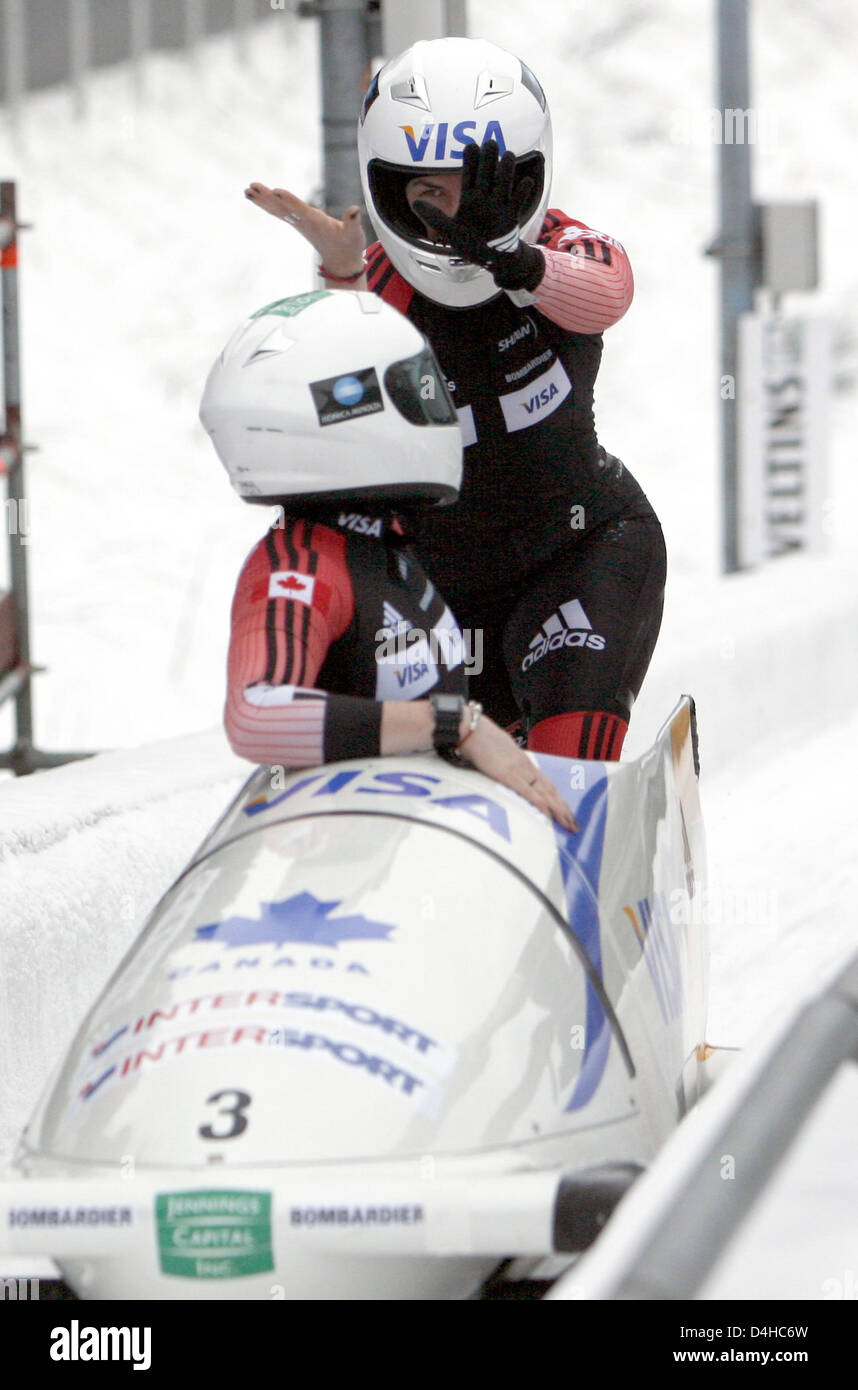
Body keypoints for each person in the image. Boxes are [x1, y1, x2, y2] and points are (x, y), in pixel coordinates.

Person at [244, 36, 666, 763]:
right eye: (427, 195)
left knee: (564, 762)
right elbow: (332, 386)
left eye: (476, 188)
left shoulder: (569, 246)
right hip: (435, 586)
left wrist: (511, 258)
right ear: (386, 188)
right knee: (428, 778)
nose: (453, 216)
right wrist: (340, 280)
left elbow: (608, 292)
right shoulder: (372, 287)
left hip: (582, 551)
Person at [200, 289, 577, 831]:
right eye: (413, 387)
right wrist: (457, 725)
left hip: (415, 843)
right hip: (344, 866)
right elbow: (257, 715)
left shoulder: (383, 536)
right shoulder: (300, 566)